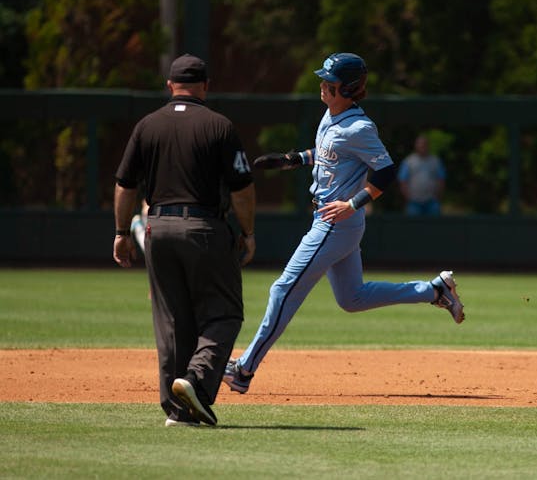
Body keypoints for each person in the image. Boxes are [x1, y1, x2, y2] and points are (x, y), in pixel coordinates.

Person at [222, 52, 465, 395]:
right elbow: (327, 154)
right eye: (323, 79)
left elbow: (386, 171)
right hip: (333, 220)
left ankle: (243, 370)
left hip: (334, 223)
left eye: (330, 82)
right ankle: (435, 290)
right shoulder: (330, 115)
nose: (323, 85)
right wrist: (294, 159)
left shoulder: (360, 128)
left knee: (282, 290)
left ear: (348, 88)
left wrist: (353, 203)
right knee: (352, 298)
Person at [113, 53, 256, 427]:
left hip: (157, 229)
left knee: (172, 322)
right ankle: (197, 380)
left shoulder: (147, 125)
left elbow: (125, 185)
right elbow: (242, 188)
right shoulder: (219, 126)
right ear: (205, 86)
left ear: (170, 86)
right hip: (203, 228)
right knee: (225, 313)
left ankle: (179, 412)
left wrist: (122, 233)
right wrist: (248, 232)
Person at [397, 134, 446, 216]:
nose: (422, 146)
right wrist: (408, 197)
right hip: (414, 202)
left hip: (432, 201)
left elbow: (441, 179)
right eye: (420, 144)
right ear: (416, 146)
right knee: (413, 224)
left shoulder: (436, 161)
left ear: (428, 146)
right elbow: (402, 181)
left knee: (434, 223)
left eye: (424, 144)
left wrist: (438, 196)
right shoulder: (408, 161)